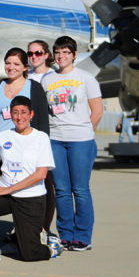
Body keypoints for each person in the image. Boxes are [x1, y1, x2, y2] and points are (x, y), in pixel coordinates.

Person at [0, 48, 55, 241]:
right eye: (8, 63)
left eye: (16, 64)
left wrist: (39, 146)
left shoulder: (34, 87)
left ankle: (41, 229)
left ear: (25, 67)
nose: (11, 67)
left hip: (28, 144)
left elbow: (42, 121)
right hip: (2, 146)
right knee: (3, 188)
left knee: (38, 187)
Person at [0, 96, 63, 262]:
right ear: (10, 114)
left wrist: (9, 188)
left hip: (31, 197)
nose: (19, 117)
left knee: (30, 254)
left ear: (31, 114)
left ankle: (52, 249)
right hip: (7, 195)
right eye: (15, 113)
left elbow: (41, 174)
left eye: (23, 112)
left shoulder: (41, 138)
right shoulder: (3, 137)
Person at [41, 36, 103, 252]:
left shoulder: (86, 78)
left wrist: (84, 132)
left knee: (80, 189)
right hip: (55, 140)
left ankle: (83, 237)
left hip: (81, 141)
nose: (61, 56)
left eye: (66, 52)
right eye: (58, 52)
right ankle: (66, 235)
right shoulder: (47, 80)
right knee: (62, 190)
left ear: (74, 54)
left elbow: (97, 111)